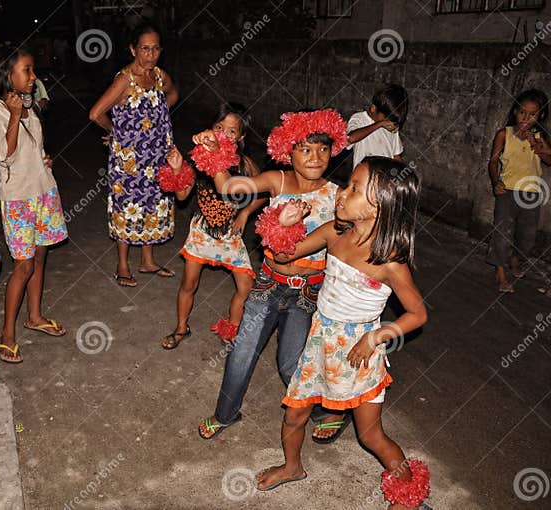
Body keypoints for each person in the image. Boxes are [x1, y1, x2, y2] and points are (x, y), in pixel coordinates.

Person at [254, 157, 430, 510]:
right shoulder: (335, 232)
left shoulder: (389, 261)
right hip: (321, 342)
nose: (341, 193)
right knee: (294, 413)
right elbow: (286, 257)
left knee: (370, 436)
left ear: (379, 203)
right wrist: (281, 223)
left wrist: (375, 337)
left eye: (353, 189)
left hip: (358, 353)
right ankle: (292, 466)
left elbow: (417, 314)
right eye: (347, 184)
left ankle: (409, 493)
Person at [196, 110, 347, 439]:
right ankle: (225, 413)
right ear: (287, 150)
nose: (315, 157)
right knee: (241, 349)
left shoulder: (338, 196)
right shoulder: (276, 180)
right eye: (305, 149)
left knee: (290, 362)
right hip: (268, 283)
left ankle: (326, 409)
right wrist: (214, 153)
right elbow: (232, 189)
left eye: (323, 149)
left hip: (309, 292)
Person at [0, 44, 68, 363]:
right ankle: (6, 335)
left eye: (32, 70)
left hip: (44, 191)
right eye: (27, 70)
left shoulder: (30, 106)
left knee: (41, 259)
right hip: (18, 200)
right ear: (8, 74)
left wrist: (42, 158)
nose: (33, 76)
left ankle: (34, 317)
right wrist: (16, 116)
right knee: (24, 266)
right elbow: (4, 155)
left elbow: (31, 149)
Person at [157, 103, 265, 348]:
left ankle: (232, 329)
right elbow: (183, 197)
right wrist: (176, 170)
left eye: (231, 131)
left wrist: (245, 213)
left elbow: (264, 190)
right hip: (202, 232)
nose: (224, 134)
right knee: (189, 283)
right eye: (219, 127)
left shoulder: (244, 164)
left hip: (229, 234)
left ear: (241, 137)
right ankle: (181, 327)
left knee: (246, 285)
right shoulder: (200, 159)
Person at [89, 21, 179, 287]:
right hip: (130, 162)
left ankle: (147, 261)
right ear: (132, 50)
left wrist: (158, 115)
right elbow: (95, 114)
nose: (150, 54)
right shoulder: (124, 80)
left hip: (158, 155)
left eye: (155, 49)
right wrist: (117, 132)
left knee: (153, 202)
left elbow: (173, 94)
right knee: (128, 208)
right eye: (144, 49)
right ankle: (123, 266)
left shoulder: (160, 76)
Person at [487, 89, 551, 293]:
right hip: (507, 191)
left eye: (532, 114)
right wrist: (496, 181)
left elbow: (549, 160)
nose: (526, 117)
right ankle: (500, 273)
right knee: (502, 233)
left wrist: (537, 146)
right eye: (522, 112)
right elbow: (494, 161)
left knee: (527, 236)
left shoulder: (540, 136)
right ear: (515, 112)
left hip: (531, 193)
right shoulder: (504, 134)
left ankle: (516, 259)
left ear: (539, 116)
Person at [347, 84, 407, 168]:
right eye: (386, 118)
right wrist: (379, 124)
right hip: (363, 176)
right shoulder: (358, 118)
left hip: (384, 176)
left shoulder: (391, 126)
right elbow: (350, 138)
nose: (388, 122)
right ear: (373, 109)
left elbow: (396, 155)